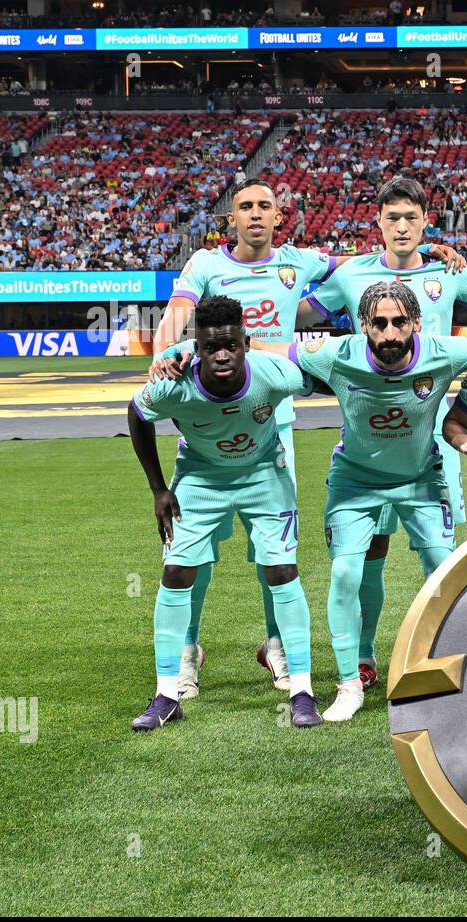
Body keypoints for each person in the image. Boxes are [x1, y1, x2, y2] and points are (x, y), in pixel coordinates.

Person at [152, 177, 465, 693]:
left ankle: (275, 645)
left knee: (274, 549)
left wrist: (430, 249)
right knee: (193, 550)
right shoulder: (205, 264)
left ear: (281, 217)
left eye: (264, 206)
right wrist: (165, 357)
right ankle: (188, 649)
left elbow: (372, 259)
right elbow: (176, 316)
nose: (255, 214)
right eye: (244, 207)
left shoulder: (302, 261)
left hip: (274, 427)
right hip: (211, 424)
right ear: (231, 218)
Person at [302, 176, 467, 686]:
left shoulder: (450, 271)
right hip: (369, 441)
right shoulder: (351, 274)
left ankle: (453, 655)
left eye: (412, 217)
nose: (403, 226)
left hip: (428, 441)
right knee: (371, 557)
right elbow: (294, 314)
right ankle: (363, 659)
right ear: (379, 223)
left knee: (444, 560)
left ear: (427, 219)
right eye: (393, 218)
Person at [128, 296, 322, 730]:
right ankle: (165, 694)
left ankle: (303, 691)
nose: (221, 355)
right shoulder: (173, 384)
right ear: (196, 348)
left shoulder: (272, 374)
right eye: (211, 347)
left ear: (245, 343)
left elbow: (320, 375)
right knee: (176, 572)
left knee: (282, 571)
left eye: (230, 346)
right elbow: (136, 413)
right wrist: (159, 488)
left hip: (263, 475)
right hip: (200, 476)